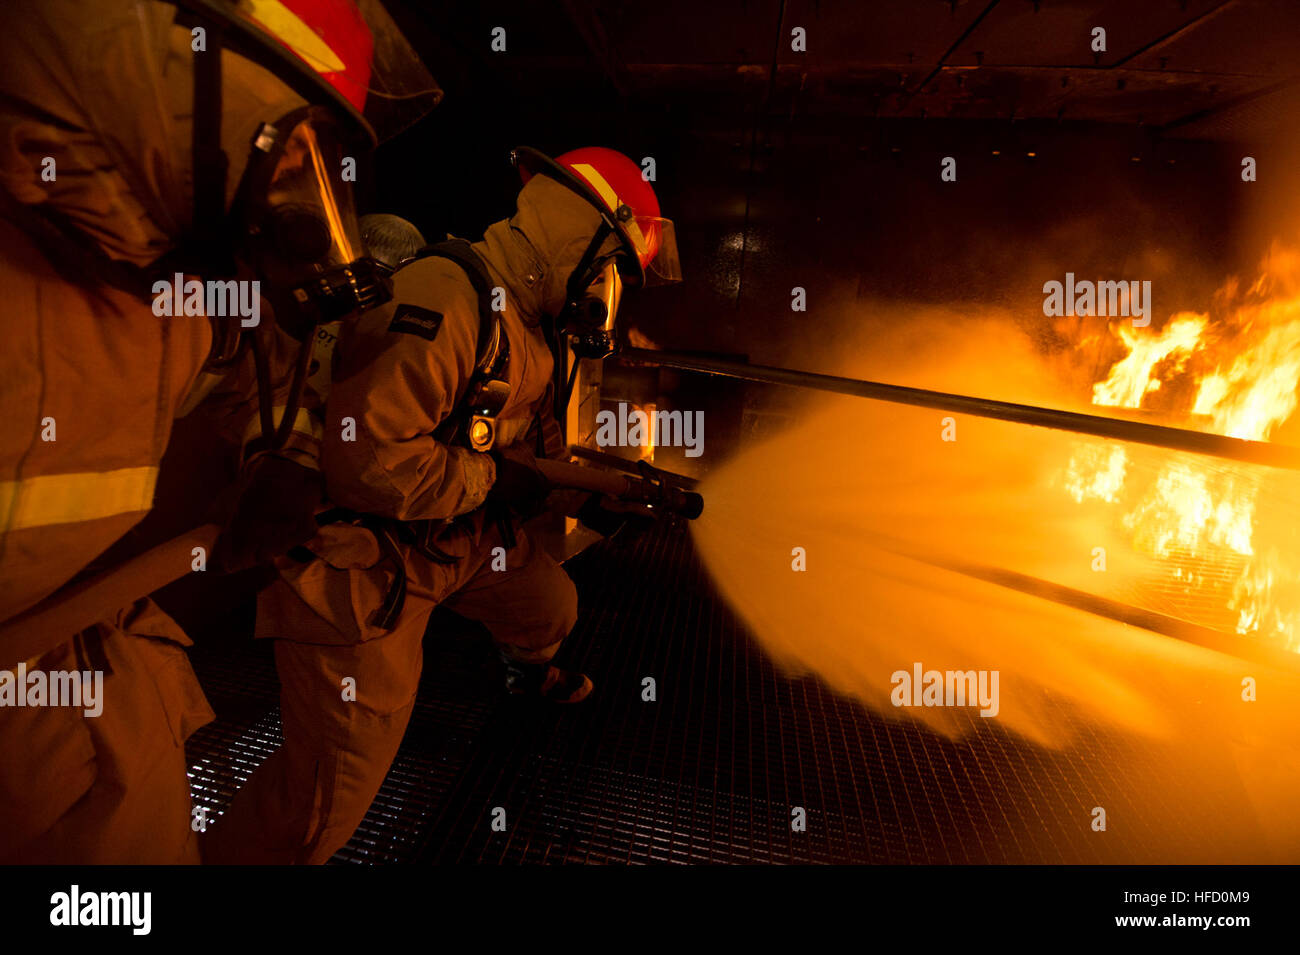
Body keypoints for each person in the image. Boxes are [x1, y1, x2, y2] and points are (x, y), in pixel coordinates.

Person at [0, 0, 438, 863]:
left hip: (75, 687)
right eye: (302, 159)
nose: (313, 210)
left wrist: (285, 455)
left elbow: (250, 364)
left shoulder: (163, 275)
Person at [205, 146, 681, 864]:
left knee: (548, 604)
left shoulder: (534, 330)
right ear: (577, 237)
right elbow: (367, 466)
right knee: (327, 796)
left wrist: (599, 496)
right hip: (361, 562)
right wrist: (497, 481)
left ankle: (527, 673)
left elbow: (540, 452)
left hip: (447, 536)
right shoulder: (449, 300)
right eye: (614, 268)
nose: (612, 291)